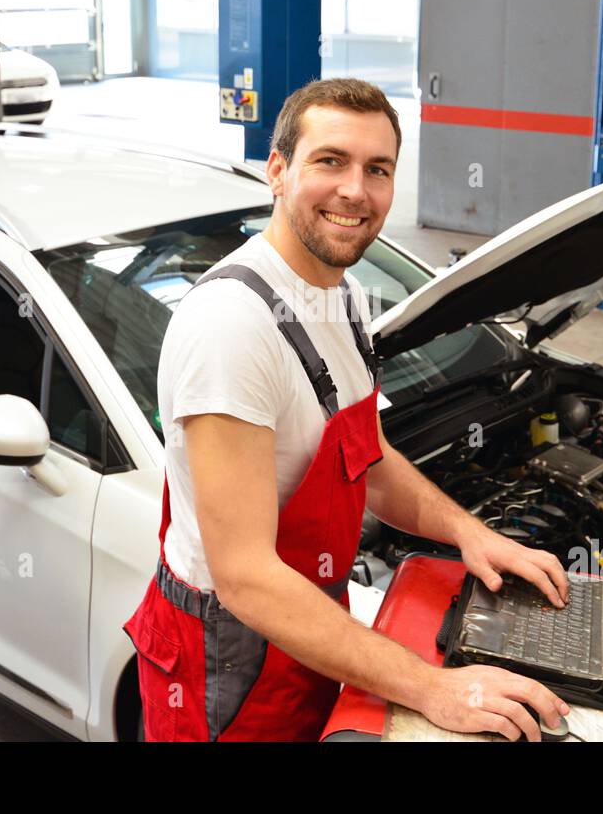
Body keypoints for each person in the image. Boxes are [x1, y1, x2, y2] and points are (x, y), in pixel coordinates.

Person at [124, 77, 570, 742]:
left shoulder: (345, 295)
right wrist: (433, 686)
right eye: (330, 161)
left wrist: (470, 532)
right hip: (227, 654)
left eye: (377, 169)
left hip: (309, 625)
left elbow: (366, 456)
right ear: (277, 171)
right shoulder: (231, 326)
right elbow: (244, 575)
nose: (355, 190)